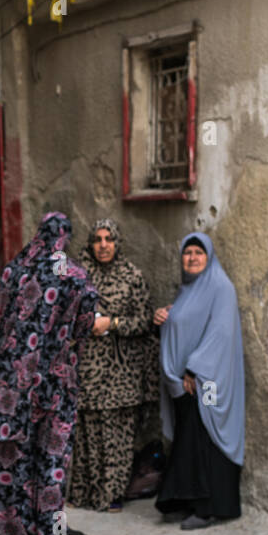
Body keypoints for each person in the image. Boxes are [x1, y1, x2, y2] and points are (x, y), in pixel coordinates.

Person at [0, 209, 99, 535]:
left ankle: (6, 526)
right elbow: (85, 324)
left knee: (11, 452)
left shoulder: (12, 272)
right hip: (55, 380)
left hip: (12, 381)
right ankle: (50, 528)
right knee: (52, 454)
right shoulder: (74, 275)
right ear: (65, 238)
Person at [154, 234, 245, 529]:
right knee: (191, 439)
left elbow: (221, 333)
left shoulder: (221, 287)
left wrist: (194, 369)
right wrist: (164, 316)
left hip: (209, 384)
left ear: (209, 257)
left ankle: (210, 508)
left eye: (198, 253)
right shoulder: (189, 290)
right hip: (188, 383)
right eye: (187, 252)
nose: (192, 258)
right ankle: (187, 500)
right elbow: (185, 324)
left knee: (208, 435)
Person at [69, 218, 155, 512]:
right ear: (91, 243)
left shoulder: (132, 276)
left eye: (109, 239)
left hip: (121, 374)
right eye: (98, 239)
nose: (103, 245)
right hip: (88, 372)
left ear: (117, 243)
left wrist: (113, 323)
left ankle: (112, 495)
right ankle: (85, 494)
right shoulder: (77, 276)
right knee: (88, 435)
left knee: (117, 437)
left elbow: (145, 321)